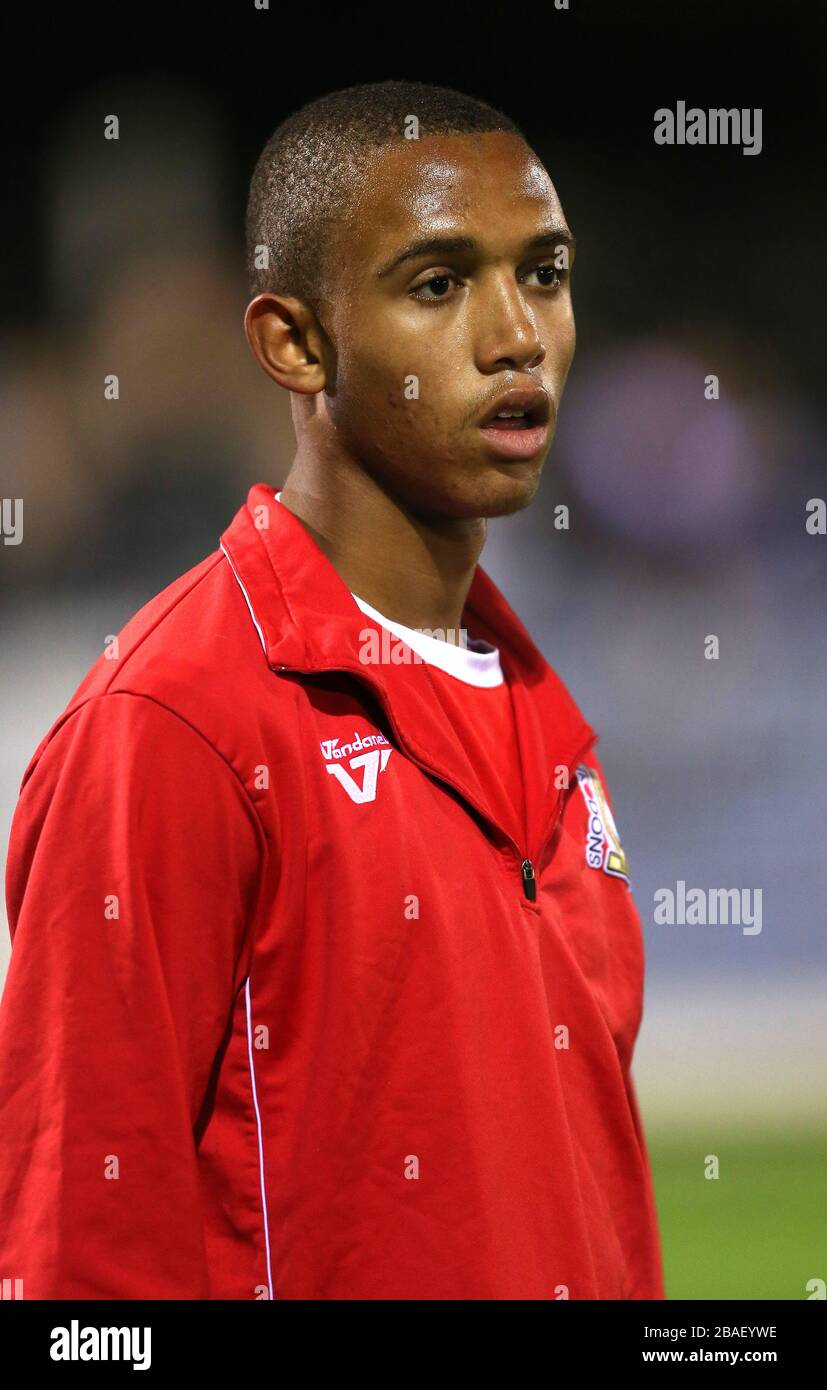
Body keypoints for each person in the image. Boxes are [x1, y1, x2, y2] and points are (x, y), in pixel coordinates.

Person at [0, 79, 665, 1300]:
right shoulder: (171, 725)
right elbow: (75, 1272)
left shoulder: (547, 718)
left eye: (546, 272)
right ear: (294, 343)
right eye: (437, 282)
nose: (516, 332)